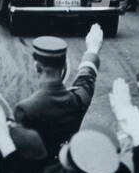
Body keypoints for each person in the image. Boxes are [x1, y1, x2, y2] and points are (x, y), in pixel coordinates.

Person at [14, 26, 103, 160]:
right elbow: (86, 79)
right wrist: (92, 49)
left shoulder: (25, 109)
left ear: (37, 66)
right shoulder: (77, 100)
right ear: (64, 67)